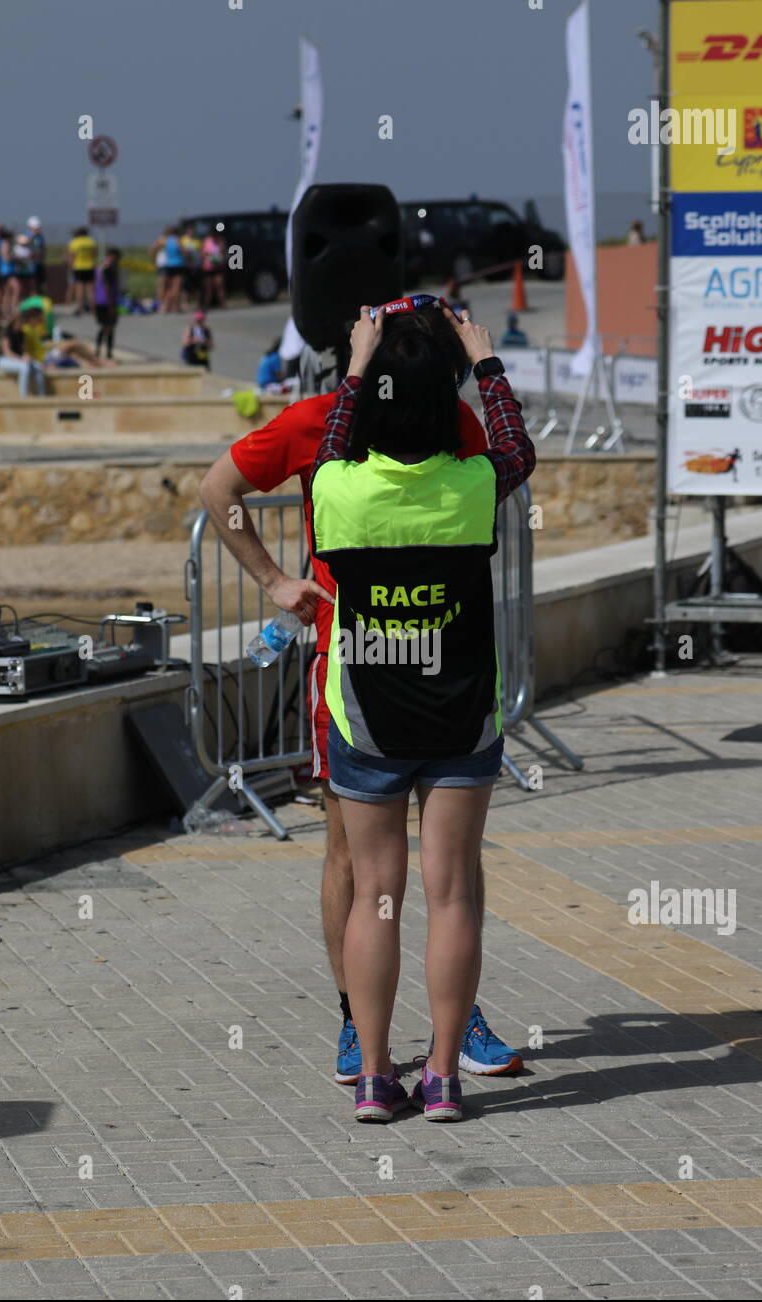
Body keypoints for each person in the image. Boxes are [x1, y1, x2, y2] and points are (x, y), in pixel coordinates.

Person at [198, 296, 525, 1088]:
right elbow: (220, 489)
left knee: (436, 880)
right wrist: (275, 580)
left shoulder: (389, 438)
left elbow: (359, 450)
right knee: (361, 860)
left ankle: (444, 1018)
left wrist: (359, 366)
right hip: (360, 681)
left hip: (391, 682)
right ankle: (360, 1022)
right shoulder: (321, 423)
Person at [307, 303, 534, 1122]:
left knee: (376, 896)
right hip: (461, 715)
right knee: (454, 897)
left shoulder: (337, 489)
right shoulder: (473, 486)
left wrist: (357, 363)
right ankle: (441, 1075)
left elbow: (335, 439)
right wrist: (486, 362)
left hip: (368, 716)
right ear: (446, 405)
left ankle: (373, 1077)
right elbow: (516, 449)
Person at [0, 308, 47, 396]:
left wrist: (27, 357)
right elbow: (7, 352)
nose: (22, 325)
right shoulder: (7, 333)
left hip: (18, 359)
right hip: (3, 360)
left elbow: (24, 350)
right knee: (24, 367)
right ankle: (24, 396)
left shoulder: (21, 334)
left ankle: (41, 395)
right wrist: (21, 358)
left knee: (38, 367)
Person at [150, 225, 185, 312]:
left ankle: (164, 305)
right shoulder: (178, 240)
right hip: (178, 265)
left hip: (168, 264)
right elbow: (184, 252)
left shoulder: (165, 240)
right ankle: (175, 306)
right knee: (176, 287)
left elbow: (152, 249)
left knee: (166, 287)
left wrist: (154, 260)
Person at [94, 247, 121, 359]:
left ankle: (98, 350)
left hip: (99, 301)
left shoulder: (100, 267)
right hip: (107, 302)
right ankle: (108, 352)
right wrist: (111, 306)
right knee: (109, 328)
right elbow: (108, 287)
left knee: (103, 327)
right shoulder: (110, 269)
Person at [68, 226, 98, 313]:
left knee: (79, 288)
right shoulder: (91, 242)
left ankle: (80, 307)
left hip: (78, 267)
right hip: (90, 266)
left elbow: (71, 256)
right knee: (90, 288)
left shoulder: (74, 242)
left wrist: (71, 266)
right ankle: (93, 308)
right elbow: (95, 254)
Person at [200, 227, 226, 310]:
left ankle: (222, 304)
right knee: (208, 287)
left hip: (219, 266)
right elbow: (202, 253)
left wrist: (220, 258)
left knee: (220, 285)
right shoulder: (206, 241)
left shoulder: (221, 241)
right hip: (208, 267)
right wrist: (209, 257)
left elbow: (223, 252)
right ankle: (207, 304)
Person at [180, 223, 202, 310]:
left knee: (197, 286)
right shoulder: (182, 240)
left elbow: (200, 251)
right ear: (187, 230)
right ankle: (185, 303)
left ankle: (198, 303)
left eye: (192, 230)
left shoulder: (197, 240)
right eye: (190, 230)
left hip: (196, 265)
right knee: (186, 286)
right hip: (186, 266)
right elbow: (181, 251)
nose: (191, 231)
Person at [26, 216, 46, 292]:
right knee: (31, 284)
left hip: (39, 263)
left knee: (40, 283)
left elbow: (43, 249)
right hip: (30, 265)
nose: (38, 229)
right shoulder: (27, 236)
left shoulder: (40, 237)